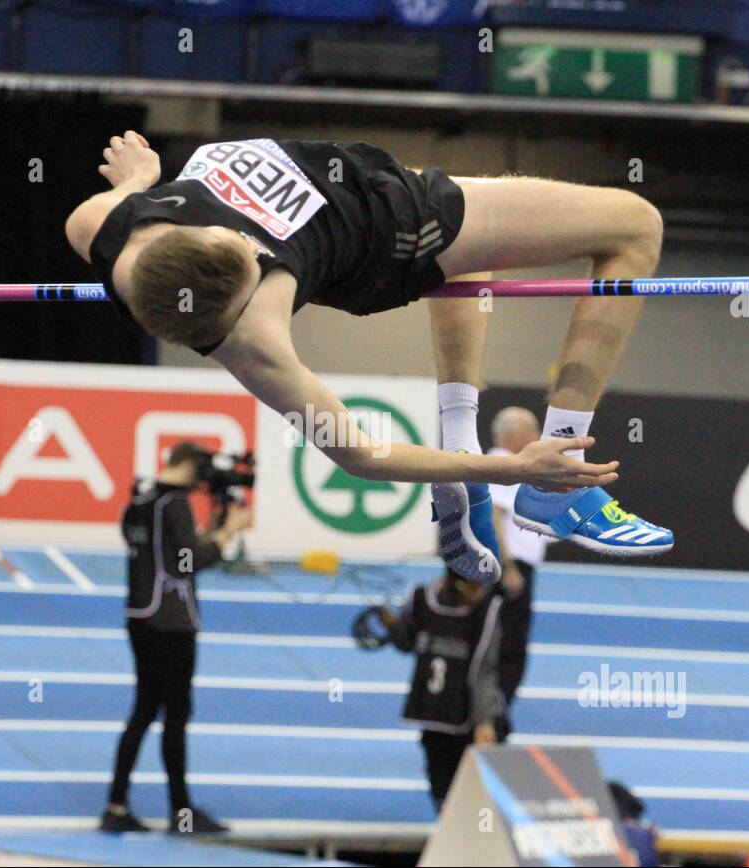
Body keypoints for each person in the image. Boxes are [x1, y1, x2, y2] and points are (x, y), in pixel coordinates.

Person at [65, 132, 672, 587]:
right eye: (252, 261)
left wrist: (138, 176)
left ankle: (461, 440)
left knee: (475, 228)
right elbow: (360, 453)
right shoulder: (256, 342)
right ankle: (562, 476)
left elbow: (126, 191)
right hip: (384, 226)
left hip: (345, 173)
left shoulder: (99, 222)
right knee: (634, 227)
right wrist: (514, 470)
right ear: (230, 313)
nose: (248, 245)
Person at [101, 442, 251, 835]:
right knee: (176, 716)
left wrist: (215, 530)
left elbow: (167, 554)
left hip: (140, 615)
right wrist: (228, 534)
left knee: (144, 710)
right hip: (171, 622)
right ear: (186, 466)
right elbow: (188, 563)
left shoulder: (140, 499)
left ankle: (116, 806)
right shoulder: (175, 504)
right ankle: (181, 815)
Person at [377, 567, 504, 810]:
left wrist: (484, 721)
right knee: (443, 796)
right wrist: (393, 625)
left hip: (471, 720)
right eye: (474, 585)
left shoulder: (487, 611)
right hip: (434, 718)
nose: (479, 592)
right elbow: (408, 643)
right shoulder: (421, 599)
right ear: (456, 581)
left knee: (481, 798)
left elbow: (485, 671)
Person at [486, 406, 547, 738]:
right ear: (513, 437)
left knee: (504, 647)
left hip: (508, 567)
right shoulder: (503, 467)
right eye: (533, 430)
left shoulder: (503, 467)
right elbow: (492, 517)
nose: (538, 438)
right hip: (507, 569)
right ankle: (492, 718)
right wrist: (507, 567)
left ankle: (492, 715)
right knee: (508, 649)